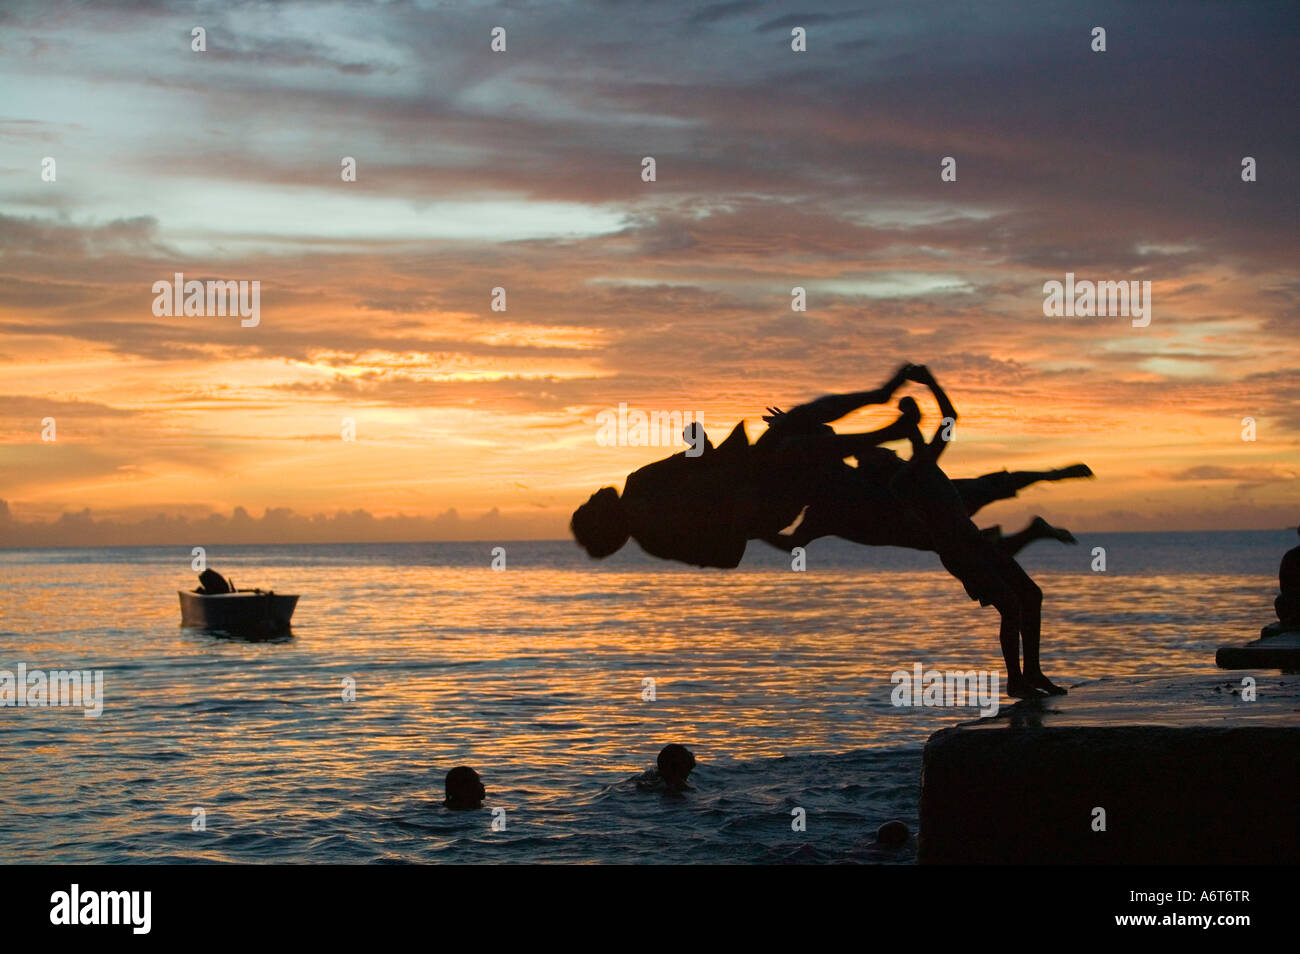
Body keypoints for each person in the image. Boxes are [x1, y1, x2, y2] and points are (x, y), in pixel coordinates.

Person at [884, 367, 1066, 698]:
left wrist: (928, 387)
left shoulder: (924, 467)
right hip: (960, 553)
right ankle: (1016, 680)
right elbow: (944, 422)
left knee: (1031, 595)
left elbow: (949, 419)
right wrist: (923, 397)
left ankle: (1033, 671)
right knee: (1010, 605)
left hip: (977, 542)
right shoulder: (907, 478)